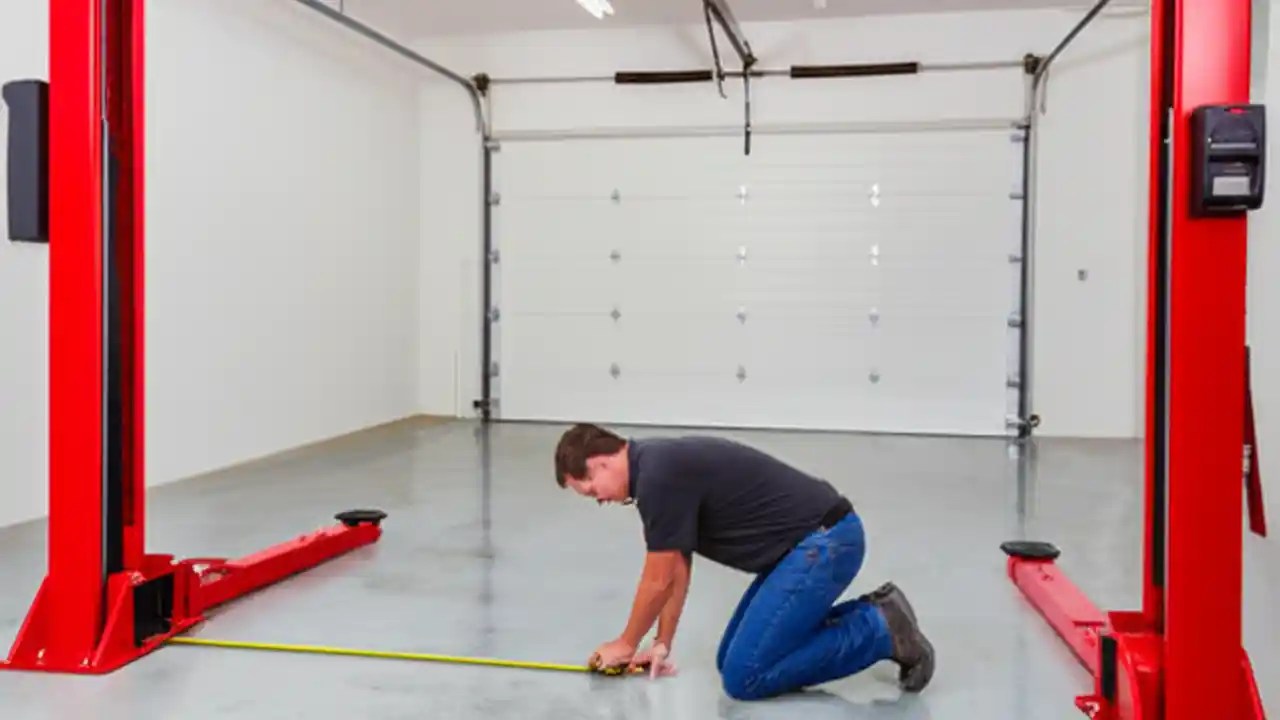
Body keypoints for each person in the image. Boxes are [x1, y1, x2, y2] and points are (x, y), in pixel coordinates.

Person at [553, 423, 934, 700]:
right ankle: (880, 615)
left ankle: (879, 630)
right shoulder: (654, 469)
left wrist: (624, 643)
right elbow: (675, 571)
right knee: (729, 661)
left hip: (825, 543)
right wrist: (661, 644)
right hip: (806, 549)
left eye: (588, 488)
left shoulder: (657, 476)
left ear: (600, 462)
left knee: (745, 677)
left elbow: (656, 581)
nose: (596, 498)